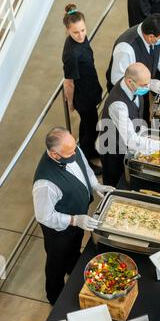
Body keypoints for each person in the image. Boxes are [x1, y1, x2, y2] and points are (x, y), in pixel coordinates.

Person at [33, 127, 114, 305]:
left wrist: (95, 185)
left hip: (78, 218)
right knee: (56, 262)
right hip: (59, 230)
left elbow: (85, 168)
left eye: (74, 148)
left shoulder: (71, 149)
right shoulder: (45, 184)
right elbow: (44, 216)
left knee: (75, 247)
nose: (74, 152)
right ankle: (54, 297)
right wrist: (74, 220)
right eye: (70, 152)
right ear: (55, 155)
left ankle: (73, 268)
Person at [97, 63, 160, 186]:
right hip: (114, 149)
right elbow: (131, 141)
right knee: (116, 184)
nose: (147, 87)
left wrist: (151, 83)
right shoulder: (118, 105)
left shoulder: (132, 85)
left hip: (131, 141)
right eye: (144, 85)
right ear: (130, 81)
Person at [62, 4, 103, 175]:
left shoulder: (81, 39)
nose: (81, 35)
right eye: (75, 32)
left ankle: (88, 150)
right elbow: (68, 83)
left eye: (83, 30)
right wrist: (71, 103)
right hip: (83, 97)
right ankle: (85, 160)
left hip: (90, 88)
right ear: (67, 31)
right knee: (92, 127)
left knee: (87, 126)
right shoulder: (72, 54)